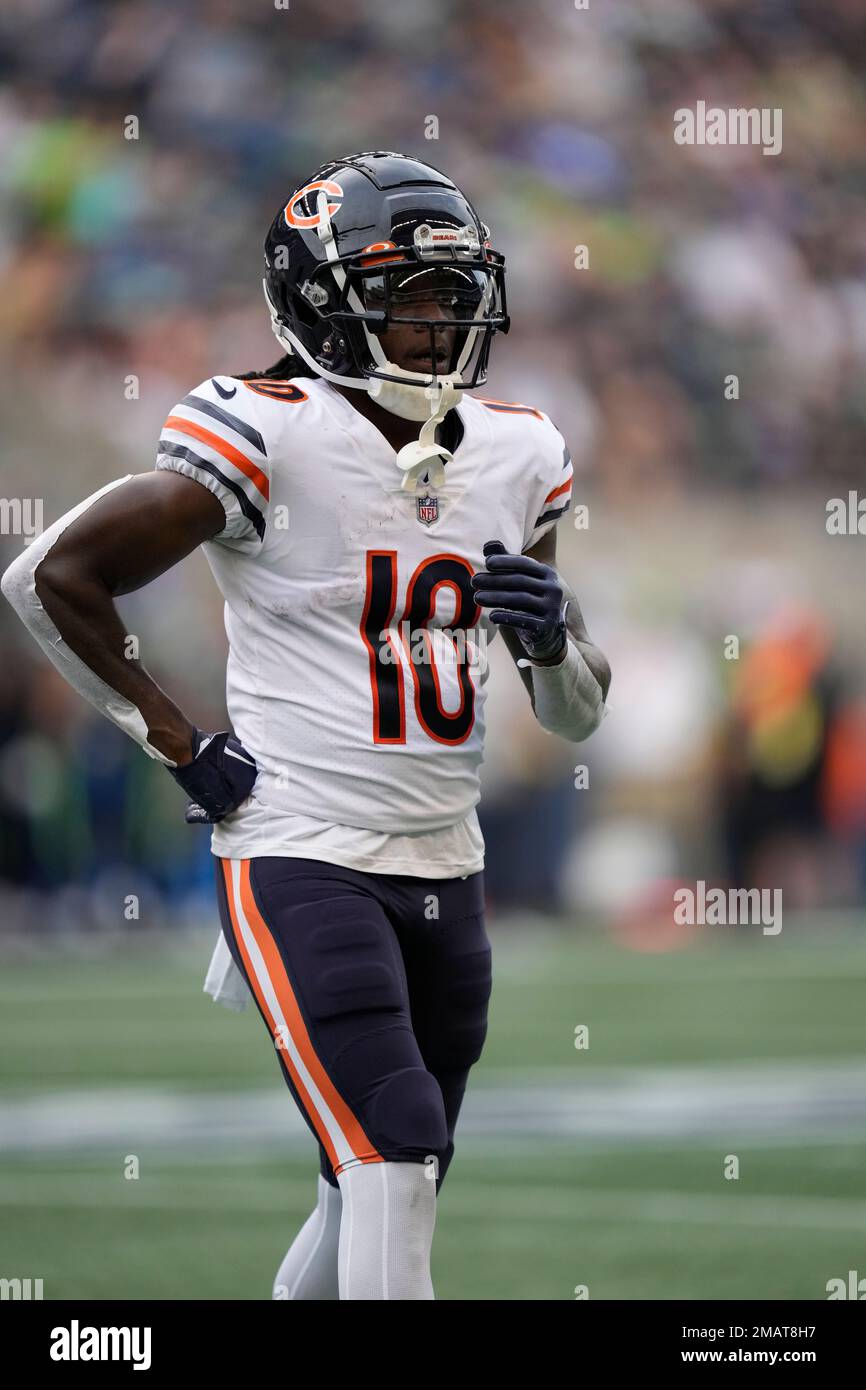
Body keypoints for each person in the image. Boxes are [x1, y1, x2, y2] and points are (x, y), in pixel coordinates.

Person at [2, 150, 610, 1300]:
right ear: (324, 302)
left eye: (452, 290)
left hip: (447, 851)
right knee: (391, 1138)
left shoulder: (522, 449)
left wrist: (547, 641)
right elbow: (51, 576)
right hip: (302, 844)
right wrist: (181, 742)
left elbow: (573, 713)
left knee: (384, 1179)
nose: (442, 318)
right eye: (409, 292)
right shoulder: (264, 428)